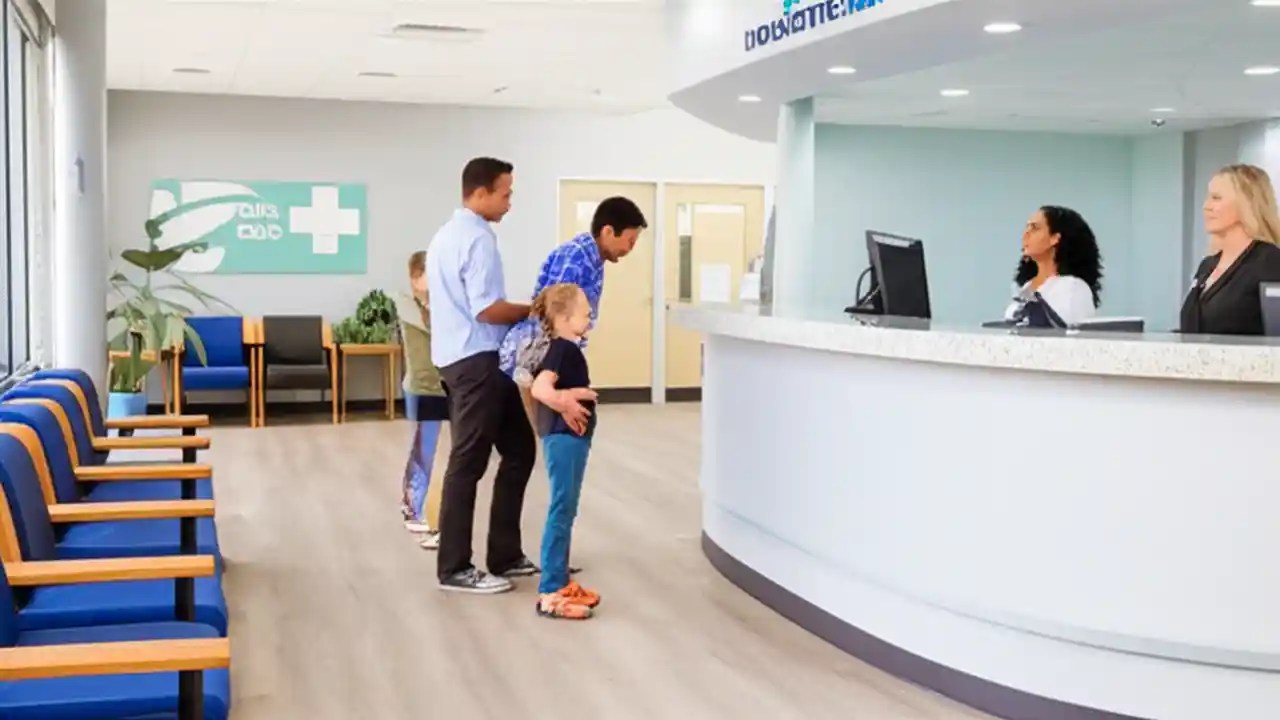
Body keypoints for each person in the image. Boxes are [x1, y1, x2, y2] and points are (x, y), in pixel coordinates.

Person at [425, 156, 539, 594]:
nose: (510, 202)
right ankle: (454, 567)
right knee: (468, 463)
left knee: (519, 450)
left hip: (470, 361)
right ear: (480, 193)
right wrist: (535, 308)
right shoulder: (477, 240)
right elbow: (487, 309)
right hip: (477, 363)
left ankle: (505, 554)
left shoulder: (445, 236)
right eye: (505, 193)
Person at [498, 196, 649, 382]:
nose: (630, 249)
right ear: (608, 231)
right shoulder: (576, 258)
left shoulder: (594, 261)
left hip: (553, 356)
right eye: (630, 241)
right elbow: (555, 316)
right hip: (538, 357)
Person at [527, 283, 602, 620]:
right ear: (565, 317)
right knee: (561, 508)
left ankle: (560, 581)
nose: (590, 315)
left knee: (566, 509)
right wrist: (566, 399)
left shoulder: (567, 349)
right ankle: (551, 592)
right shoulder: (562, 349)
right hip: (564, 439)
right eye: (585, 311)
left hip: (569, 440)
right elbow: (541, 387)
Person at [1180, 163, 1280, 336]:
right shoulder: (1207, 266)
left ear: (1246, 203)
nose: (1206, 206)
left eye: (1216, 198)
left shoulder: (1269, 261)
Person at [397, 250, 449, 551]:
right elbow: (431, 328)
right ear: (416, 278)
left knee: (436, 452)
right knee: (424, 449)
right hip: (422, 387)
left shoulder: (439, 305)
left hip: (443, 386)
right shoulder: (407, 305)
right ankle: (414, 509)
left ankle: (428, 509)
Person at [1004, 205, 1103, 328]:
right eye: (1027, 227)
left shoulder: (1074, 289)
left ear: (1055, 238)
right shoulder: (1025, 289)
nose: (1025, 235)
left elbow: (1077, 340)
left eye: (1034, 228)